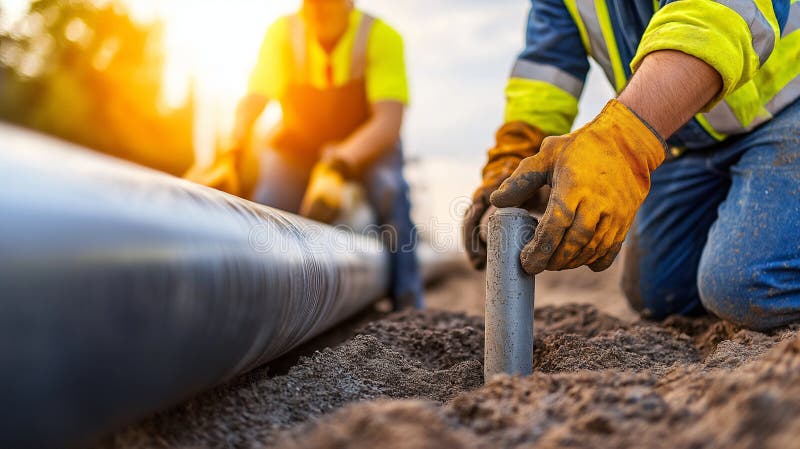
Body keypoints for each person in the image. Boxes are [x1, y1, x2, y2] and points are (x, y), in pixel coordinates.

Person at [464, 0, 800, 330]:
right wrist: (515, 154)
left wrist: (622, 140)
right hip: (694, 141)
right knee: (659, 293)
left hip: (788, 107)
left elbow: (717, 16)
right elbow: (547, 71)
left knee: (750, 286)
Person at [185, 0, 423, 310]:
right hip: (299, 145)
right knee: (268, 206)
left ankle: (408, 301)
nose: (319, 9)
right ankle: (260, 299)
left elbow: (387, 122)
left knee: (389, 191)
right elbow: (253, 102)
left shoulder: (380, 36)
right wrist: (230, 153)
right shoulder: (283, 33)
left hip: (367, 145)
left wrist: (337, 163)